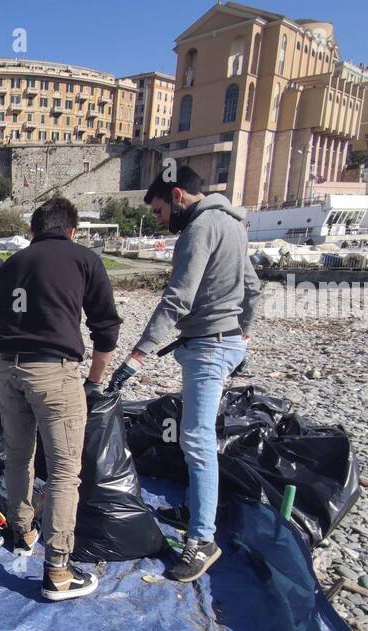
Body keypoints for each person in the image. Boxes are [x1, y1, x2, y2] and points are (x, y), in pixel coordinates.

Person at [107, 165, 261, 583]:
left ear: (177, 196)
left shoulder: (199, 228)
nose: (158, 220)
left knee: (196, 440)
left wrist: (137, 356)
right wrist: (243, 336)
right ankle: (197, 510)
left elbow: (177, 299)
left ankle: (203, 541)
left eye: (158, 211)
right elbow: (254, 287)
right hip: (223, 342)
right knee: (198, 434)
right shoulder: (234, 224)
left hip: (209, 347)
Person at [0, 196, 121, 601]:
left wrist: (0, 378)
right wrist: (93, 383)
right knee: (63, 472)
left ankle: (22, 533)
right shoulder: (84, 259)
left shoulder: (10, 265)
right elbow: (106, 329)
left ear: (33, 231)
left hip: (9, 368)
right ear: (72, 230)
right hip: (53, 371)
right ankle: (58, 571)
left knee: (18, 454)